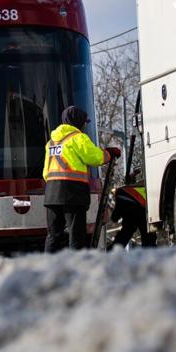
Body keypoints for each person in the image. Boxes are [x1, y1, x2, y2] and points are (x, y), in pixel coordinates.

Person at [43, 105, 120, 252]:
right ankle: (77, 264)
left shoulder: (51, 143)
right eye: (84, 122)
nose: (85, 125)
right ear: (78, 121)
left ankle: (48, 264)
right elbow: (94, 157)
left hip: (51, 195)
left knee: (53, 235)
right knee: (76, 235)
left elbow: (46, 173)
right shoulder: (78, 138)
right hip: (73, 193)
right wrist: (108, 154)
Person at [108, 169, 155, 250]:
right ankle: (149, 252)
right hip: (143, 212)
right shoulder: (149, 186)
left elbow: (116, 216)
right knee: (148, 237)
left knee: (126, 233)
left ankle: (112, 252)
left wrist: (115, 217)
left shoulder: (123, 191)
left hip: (132, 212)